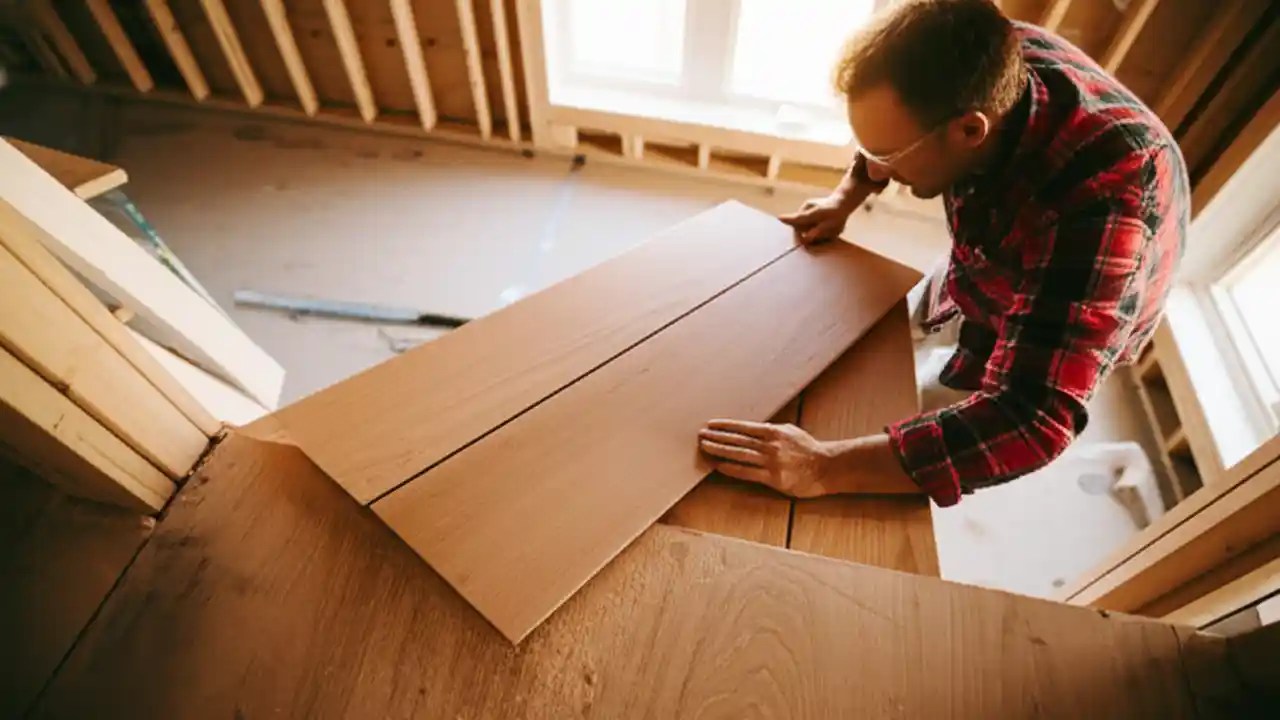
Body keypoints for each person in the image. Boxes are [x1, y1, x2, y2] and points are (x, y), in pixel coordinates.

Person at [697, 0, 1187, 507]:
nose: (877, 170)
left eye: (887, 158)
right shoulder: (978, 60)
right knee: (890, 335)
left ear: (971, 130)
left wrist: (824, 467)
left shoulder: (1106, 207)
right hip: (996, 247)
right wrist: (847, 197)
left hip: (1071, 286)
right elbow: (888, 135)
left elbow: (1031, 420)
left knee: (914, 407)